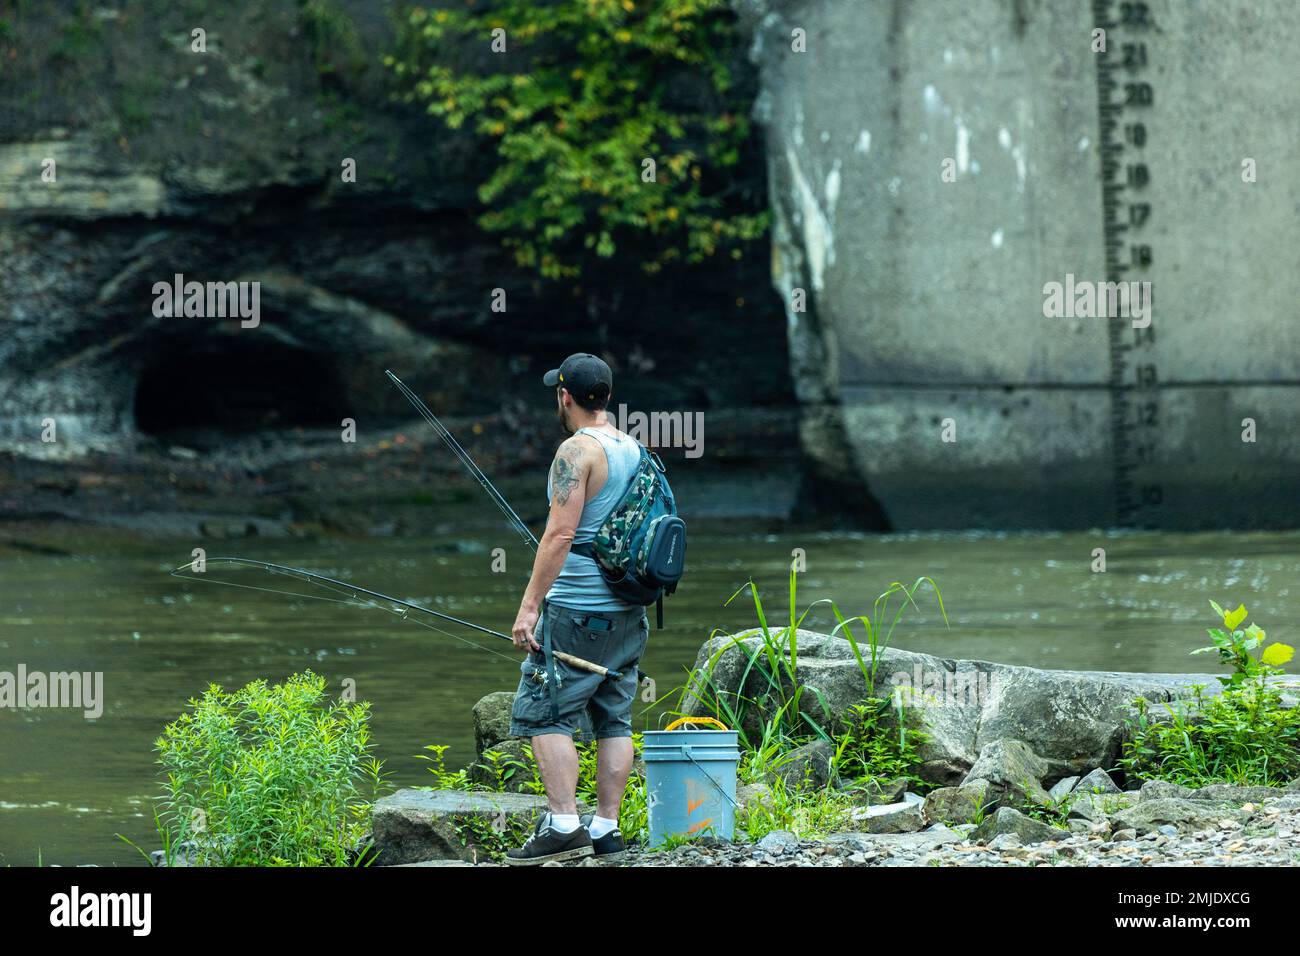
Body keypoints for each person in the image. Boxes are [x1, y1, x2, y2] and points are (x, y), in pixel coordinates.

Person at [505, 352, 648, 865]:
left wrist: (529, 608)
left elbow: (562, 532)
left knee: (546, 711)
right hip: (629, 611)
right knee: (614, 718)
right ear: (606, 397)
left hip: (577, 608)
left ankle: (564, 823)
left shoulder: (575, 451)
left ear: (564, 396)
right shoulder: (634, 448)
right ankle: (606, 830)